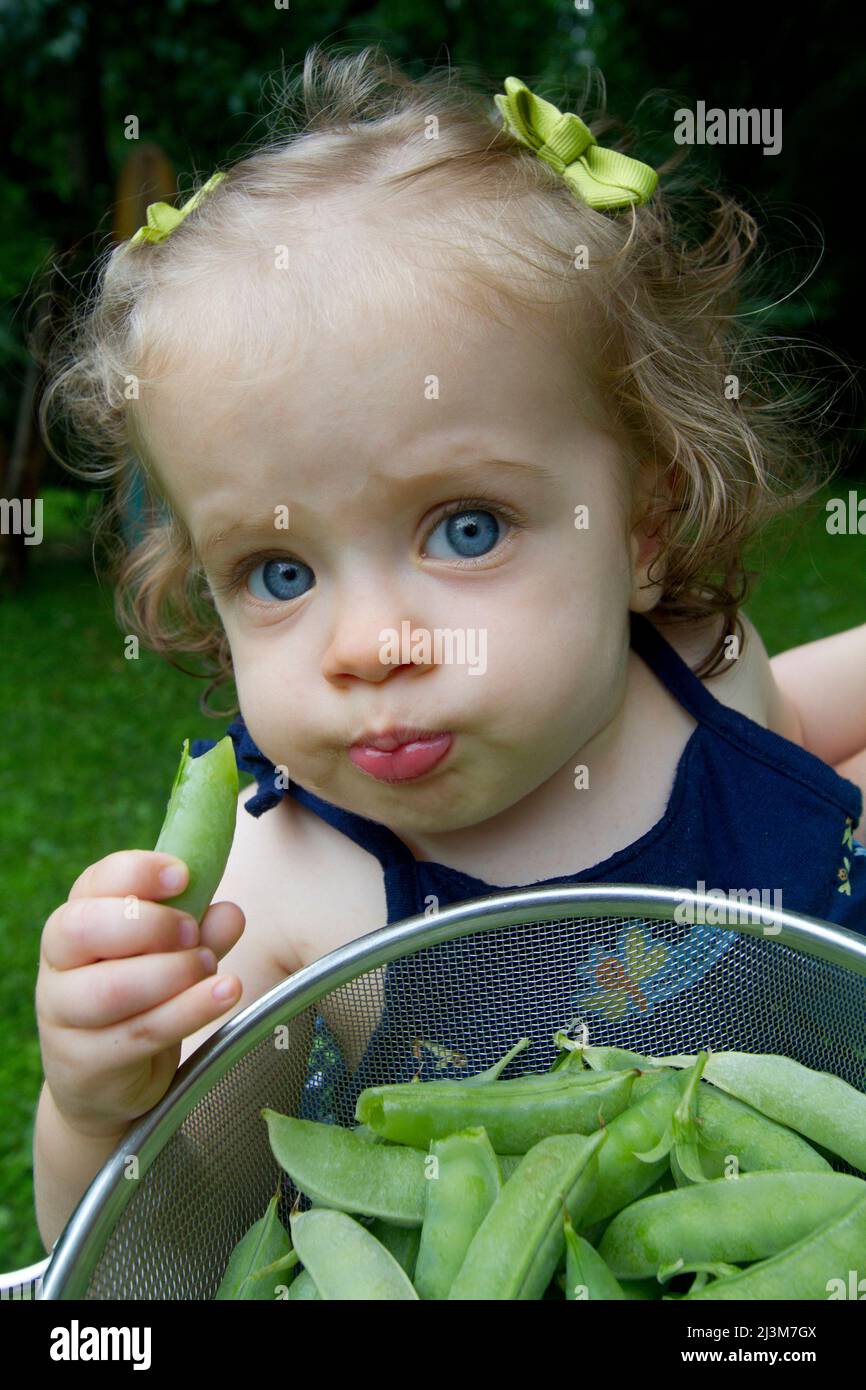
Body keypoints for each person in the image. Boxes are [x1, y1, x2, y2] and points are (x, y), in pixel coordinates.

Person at [31, 44, 866, 1251]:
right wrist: (93, 1105)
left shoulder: (700, 670)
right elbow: (146, 1242)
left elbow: (794, 725)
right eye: (277, 572)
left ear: (639, 527)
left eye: (463, 528)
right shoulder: (291, 897)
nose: (370, 645)